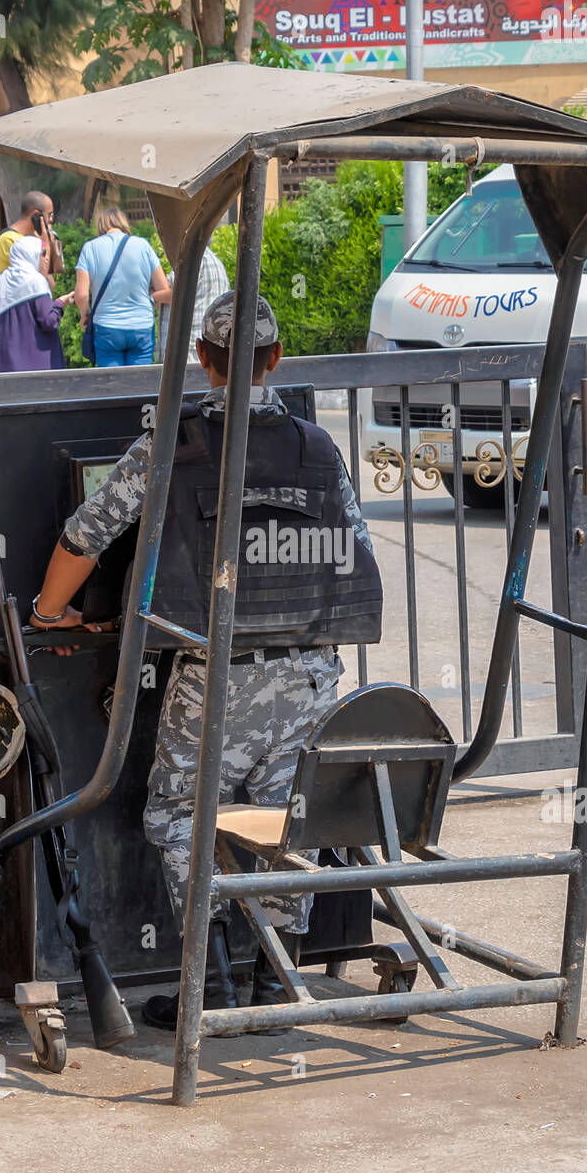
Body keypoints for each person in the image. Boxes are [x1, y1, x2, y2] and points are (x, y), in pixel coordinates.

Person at [28, 291, 383, 1030]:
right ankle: (274, 981)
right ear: (277, 361)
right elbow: (357, 551)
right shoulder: (318, 448)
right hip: (313, 677)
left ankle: (207, 985)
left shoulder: (172, 443)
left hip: (216, 681)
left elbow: (85, 533)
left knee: (181, 817)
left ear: (203, 361)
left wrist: (48, 614)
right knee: (289, 820)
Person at [74, 208, 172, 366]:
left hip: (107, 327)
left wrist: (85, 314)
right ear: (124, 223)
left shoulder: (90, 248)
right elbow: (164, 290)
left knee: (112, 386)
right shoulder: (143, 246)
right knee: (139, 387)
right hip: (142, 325)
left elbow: (81, 296)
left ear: (100, 226)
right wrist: (148, 299)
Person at [0, 236, 72, 373]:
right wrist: (60, 303)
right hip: (37, 367)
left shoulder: (0, 281)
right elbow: (49, 321)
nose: (46, 258)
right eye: (42, 254)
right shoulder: (35, 281)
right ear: (29, 254)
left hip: (6, 367)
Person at [155, 244, 230, 366]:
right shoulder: (213, 261)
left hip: (187, 345)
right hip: (208, 342)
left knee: (185, 384)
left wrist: (150, 297)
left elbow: (175, 291)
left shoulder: (192, 258)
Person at [0, 190, 61, 285]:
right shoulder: (11, 240)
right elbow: (46, 283)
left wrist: (51, 245)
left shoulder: (29, 239)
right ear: (36, 215)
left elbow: (55, 274)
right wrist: (45, 246)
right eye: (49, 215)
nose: (51, 220)